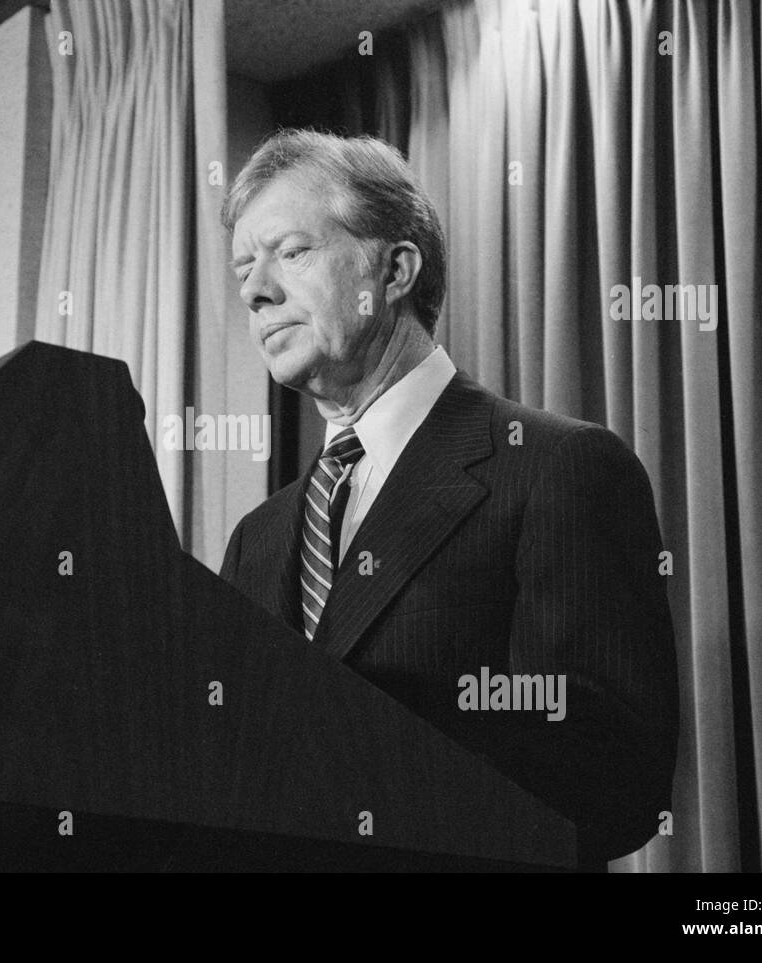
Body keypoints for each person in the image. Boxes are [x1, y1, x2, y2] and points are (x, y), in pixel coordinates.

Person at [218, 129, 679, 864]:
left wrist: (349, 727)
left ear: (395, 269)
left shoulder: (560, 467)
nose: (255, 288)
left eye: (292, 251)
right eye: (244, 266)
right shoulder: (258, 538)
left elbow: (615, 772)